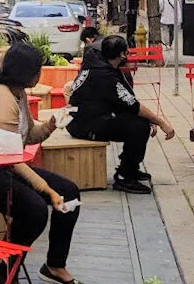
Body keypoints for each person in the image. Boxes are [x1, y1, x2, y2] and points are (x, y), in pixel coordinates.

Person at [0, 42, 83, 284]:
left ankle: (55, 265)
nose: (40, 75)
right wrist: (46, 190)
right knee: (34, 210)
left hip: (3, 167)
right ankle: (6, 272)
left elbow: (26, 138)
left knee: (69, 192)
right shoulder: (1, 98)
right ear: (30, 73)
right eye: (38, 70)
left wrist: (52, 124)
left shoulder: (17, 93)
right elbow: (11, 157)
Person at [66, 34, 175, 194]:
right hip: (84, 125)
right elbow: (133, 106)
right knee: (139, 127)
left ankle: (129, 168)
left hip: (80, 118)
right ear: (122, 55)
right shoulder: (105, 75)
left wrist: (144, 116)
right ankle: (125, 175)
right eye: (127, 52)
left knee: (138, 121)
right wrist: (161, 122)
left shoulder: (96, 63)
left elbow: (124, 103)